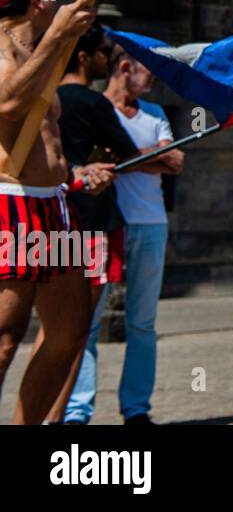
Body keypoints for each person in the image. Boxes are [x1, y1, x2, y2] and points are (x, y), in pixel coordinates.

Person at [0, 0, 113, 423]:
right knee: (5, 337)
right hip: (11, 202)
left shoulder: (39, 53)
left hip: (55, 205)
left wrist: (75, 175)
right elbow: (6, 102)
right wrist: (63, 35)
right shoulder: (3, 50)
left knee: (68, 334)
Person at [67, 47, 183, 425]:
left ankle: (136, 410)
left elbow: (176, 161)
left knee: (143, 322)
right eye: (147, 71)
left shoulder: (156, 114)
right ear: (124, 67)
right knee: (87, 321)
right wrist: (154, 157)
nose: (153, 79)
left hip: (151, 225)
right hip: (104, 225)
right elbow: (158, 159)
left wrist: (125, 157)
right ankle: (77, 411)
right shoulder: (94, 109)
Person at [36, 24, 144, 423]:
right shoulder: (91, 103)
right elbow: (133, 153)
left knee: (50, 330)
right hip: (92, 225)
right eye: (102, 51)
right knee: (78, 330)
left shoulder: (48, 98)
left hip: (55, 221)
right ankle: (61, 417)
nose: (108, 59)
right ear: (83, 57)